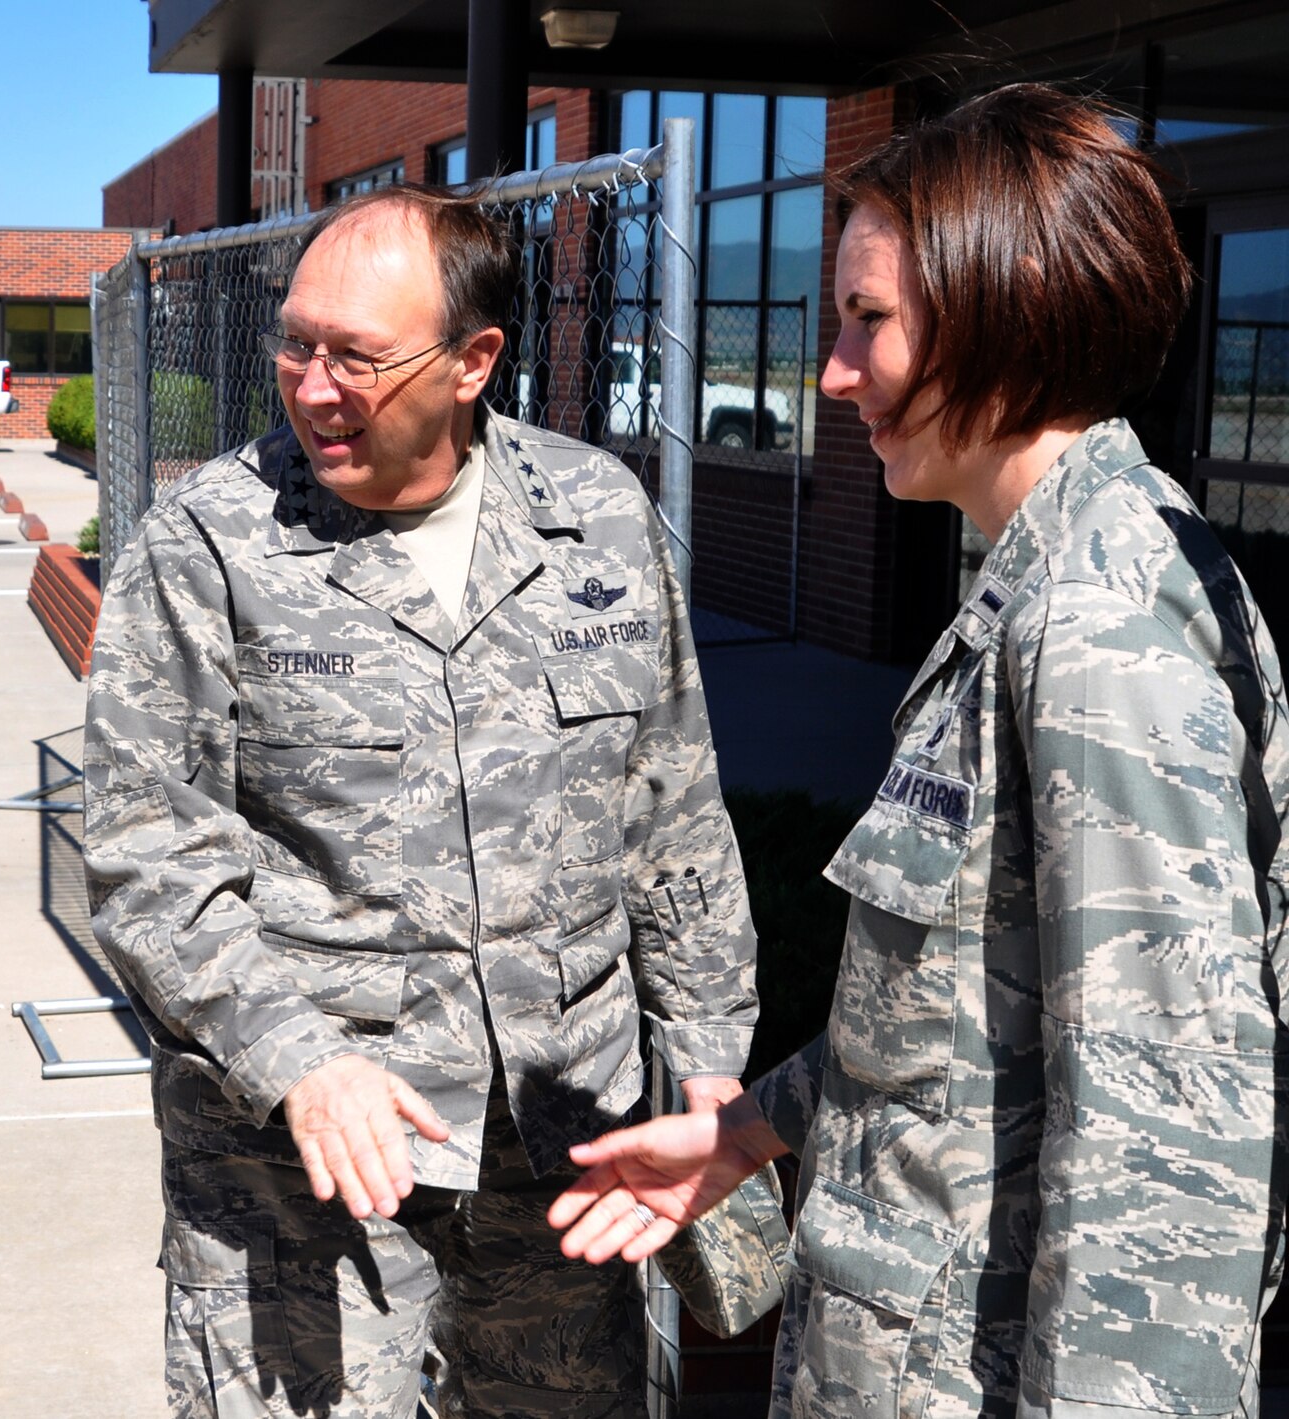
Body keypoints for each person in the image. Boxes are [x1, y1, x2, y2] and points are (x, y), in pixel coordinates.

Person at [549, 84, 1289, 1418]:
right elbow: (960, 1018)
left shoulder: (1098, 624)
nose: (833, 373)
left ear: (1008, 304)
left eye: (869, 320)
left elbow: (1170, 1147)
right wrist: (748, 1126)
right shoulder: (1043, 580)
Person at [83, 183, 758, 1417]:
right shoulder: (207, 547)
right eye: (295, 342)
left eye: (356, 356)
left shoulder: (597, 518)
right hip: (308, 1168)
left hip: (560, 1143)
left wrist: (710, 1058)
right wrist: (297, 1060)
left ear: (472, 361)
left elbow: (670, 803)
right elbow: (144, 851)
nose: (310, 384)